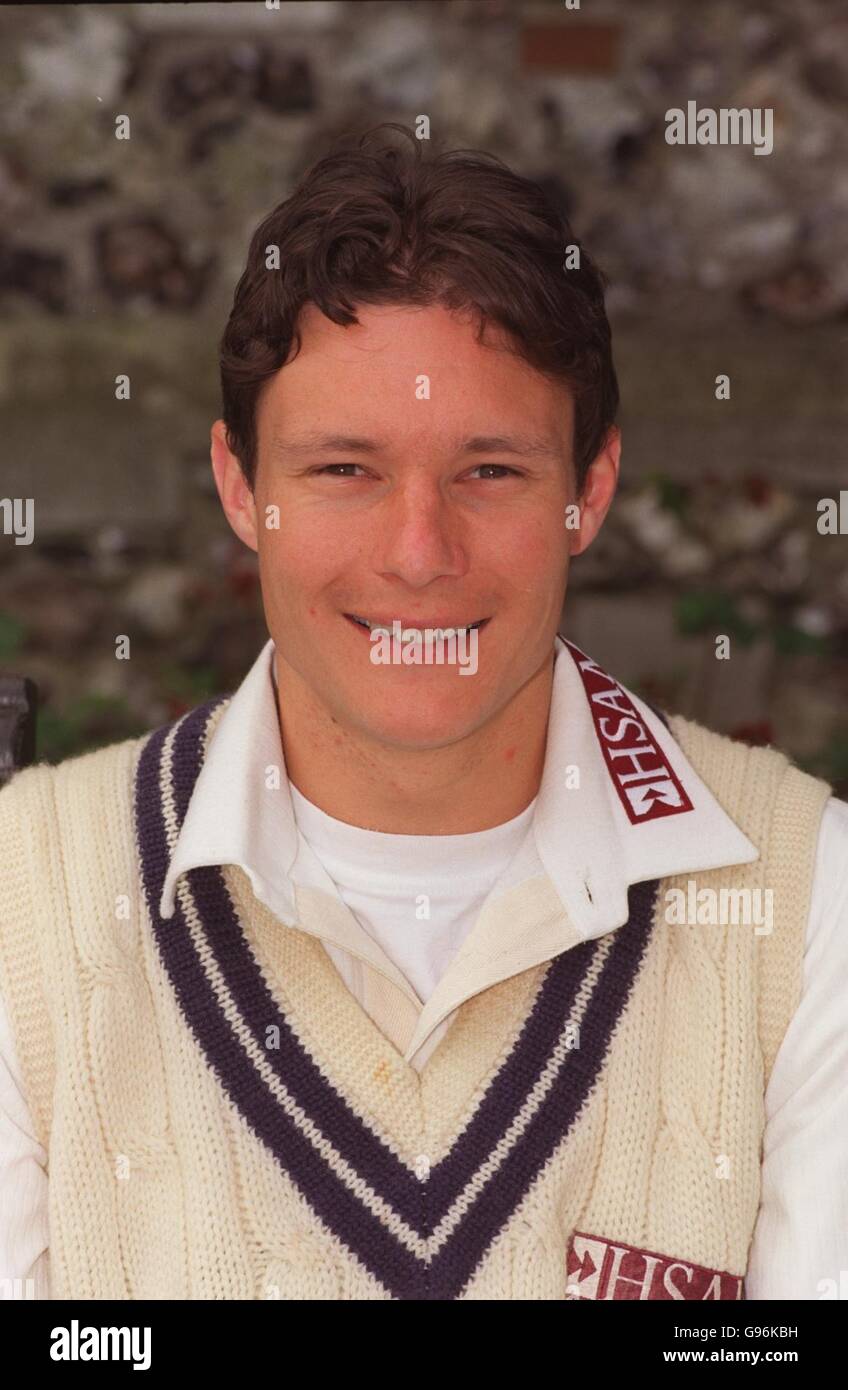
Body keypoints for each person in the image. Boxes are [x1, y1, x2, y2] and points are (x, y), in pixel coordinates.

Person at [0, 123, 845, 1302]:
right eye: (343, 468)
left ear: (587, 491)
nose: (417, 553)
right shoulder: (23, 897)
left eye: (487, 470)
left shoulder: (809, 896)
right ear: (240, 486)